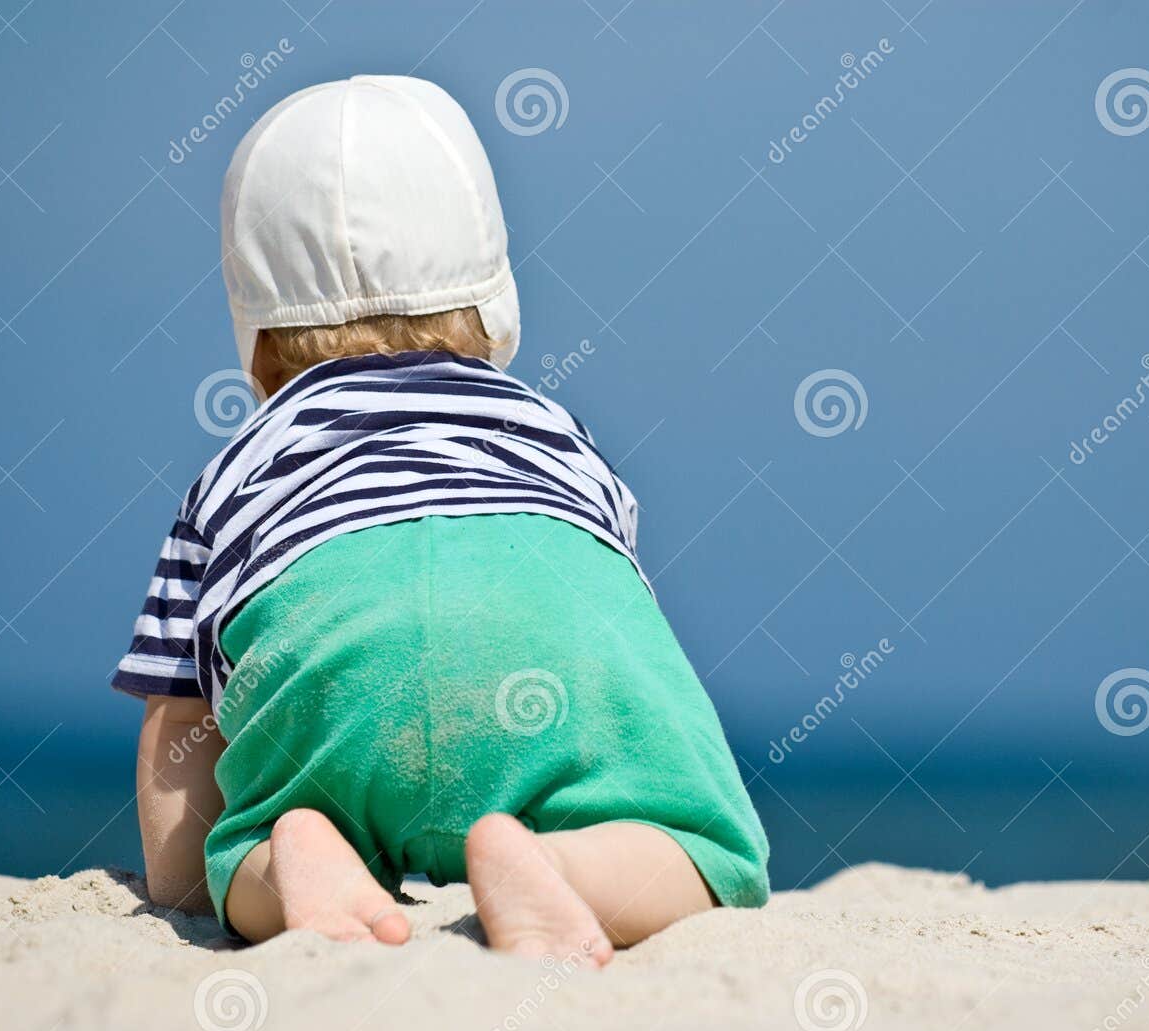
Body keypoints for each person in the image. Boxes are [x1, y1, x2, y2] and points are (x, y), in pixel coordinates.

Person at [113, 76, 769, 965]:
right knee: (701, 852)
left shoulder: (235, 471)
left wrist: (195, 871)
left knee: (244, 852)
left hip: (336, 673)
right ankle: (554, 864)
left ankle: (297, 857)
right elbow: (604, 585)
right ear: (492, 293)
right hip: (541, 633)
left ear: (257, 334)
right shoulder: (552, 433)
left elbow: (176, 724)